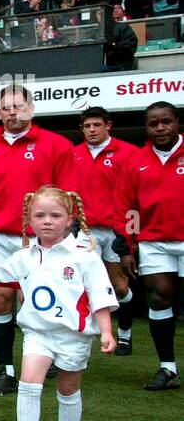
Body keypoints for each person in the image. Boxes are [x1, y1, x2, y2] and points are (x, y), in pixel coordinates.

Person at [0, 187, 117, 421]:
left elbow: (100, 295)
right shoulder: (24, 256)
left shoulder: (85, 256)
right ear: (30, 220)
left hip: (73, 336)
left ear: (70, 219)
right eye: (40, 215)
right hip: (37, 333)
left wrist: (106, 332)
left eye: (55, 215)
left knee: (68, 389)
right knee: (29, 383)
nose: (48, 221)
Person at [0, 84, 75, 395]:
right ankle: (6, 370)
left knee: (38, 301)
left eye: (20, 105)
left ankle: (48, 357)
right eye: (7, 107)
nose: (13, 111)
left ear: (31, 110)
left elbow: (70, 195)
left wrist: (67, 237)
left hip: (41, 239)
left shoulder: (57, 145)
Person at [119, 102, 183, 391]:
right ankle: (167, 369)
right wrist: (128, 248)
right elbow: (129, 208)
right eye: (153, 123)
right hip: (155, 242)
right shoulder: (136, 160)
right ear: (146, 127)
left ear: (176, 122)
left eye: (165, 122)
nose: (160, 128)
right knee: (159, 298)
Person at [68, 106, 136, 353]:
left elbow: (137, 198)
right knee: (82, 282)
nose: (92, 130)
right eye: (87, 126)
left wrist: (132, 234)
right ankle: (80, 334)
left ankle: (125, 334)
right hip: (86, 230)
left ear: (108, 125)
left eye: (96, 125)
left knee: (120, 287)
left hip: (117, 230)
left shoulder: (128, 153)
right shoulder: (72, 154)